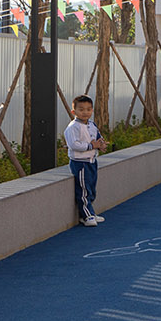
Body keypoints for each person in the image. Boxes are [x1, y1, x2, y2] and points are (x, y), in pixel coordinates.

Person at [64, 95, 107, 227]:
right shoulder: (72, 127)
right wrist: (91, 146)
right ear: (74, 111)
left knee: (92, 189)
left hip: (92, 161)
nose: (85, 112)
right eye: (81, 109)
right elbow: (74, 144)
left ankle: (90, 212)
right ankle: (86, 215)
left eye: (88, 109)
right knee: (83, 189)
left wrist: (102, 145)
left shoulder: (92, 125)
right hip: (80, 163)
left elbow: (98, 138)